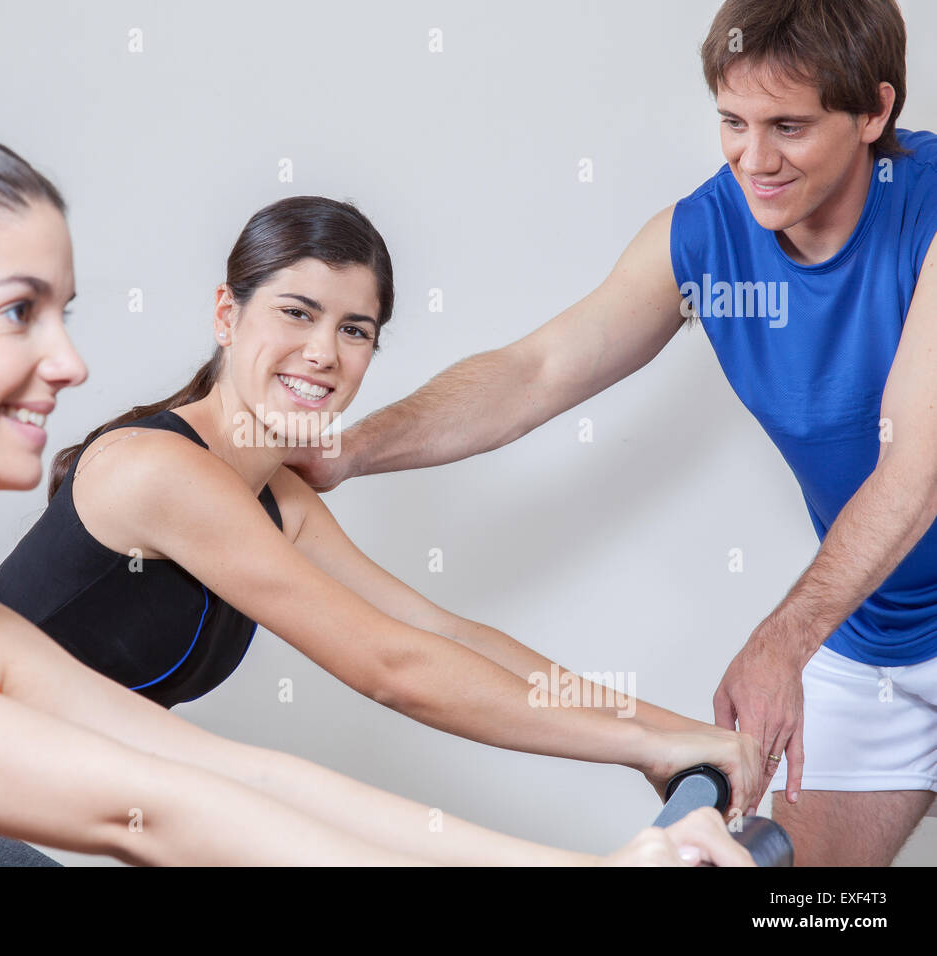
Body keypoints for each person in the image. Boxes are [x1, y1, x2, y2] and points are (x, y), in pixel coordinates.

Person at [0, 116, 750, 867]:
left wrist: (613, 832)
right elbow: (149, 805)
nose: (73, 363)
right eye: (21, 311)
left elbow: (222, 765)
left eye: (355, 327)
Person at [286, 0, 937, 866]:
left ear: (875, 113)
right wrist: (348, 449)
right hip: (873, 630)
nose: (754, 159)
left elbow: (915, 471)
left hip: (824, 624)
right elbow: (538, 371)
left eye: (789, 126)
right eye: (733, 123)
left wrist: (781, 642)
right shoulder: (705, 236)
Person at [0, 194, 762, 825]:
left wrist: (672, 732)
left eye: (354, 329)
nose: (324, 352)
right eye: (297, 312)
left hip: (10, 805)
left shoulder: (275, 497)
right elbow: (394, 670)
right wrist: (641, 752)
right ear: (227, 314)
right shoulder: (157, 471)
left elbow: (443, 633)